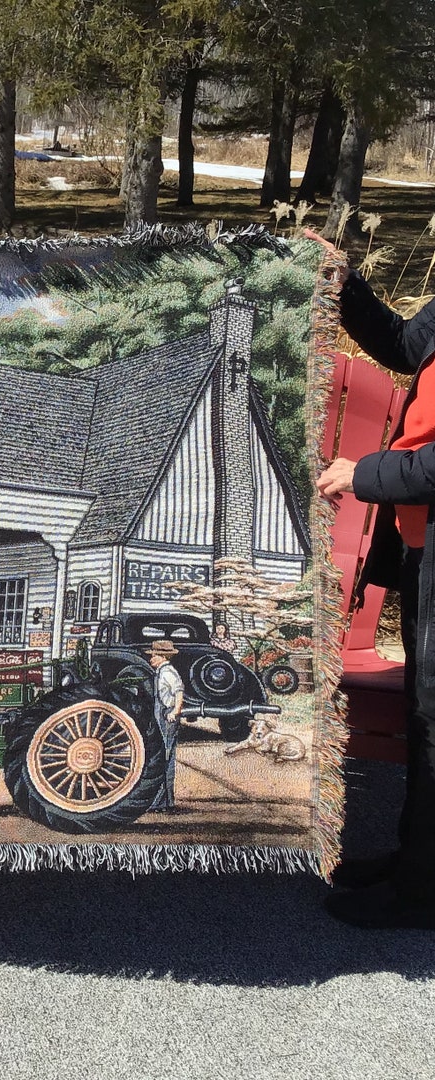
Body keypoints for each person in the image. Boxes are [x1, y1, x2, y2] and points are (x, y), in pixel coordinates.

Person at [309, 228, 435, 928]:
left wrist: (366, 473)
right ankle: (418, 861)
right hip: (421, 543)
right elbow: (405, 344)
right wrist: (343, 283)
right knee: (425, 712)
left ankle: (421, 893)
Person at [146, 639, 184, 811]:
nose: (151, 659)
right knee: (163, 756)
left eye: (154, 655)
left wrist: (175, 711)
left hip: (167, 716)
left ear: (163, 657)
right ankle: (164, 801)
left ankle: (163, 802)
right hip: (162, 714)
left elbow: (179, 692)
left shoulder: (168, 672)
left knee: (165, 757)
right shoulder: (161, 671)